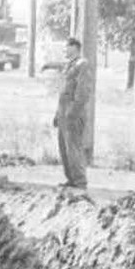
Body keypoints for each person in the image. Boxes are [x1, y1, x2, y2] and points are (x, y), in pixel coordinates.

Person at [54, 35, 91, 189]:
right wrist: (57, 114)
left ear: (74, 47)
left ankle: (80, 182)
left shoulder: (82, 65)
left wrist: (72, 113)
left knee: (73, 148)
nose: (64, 50)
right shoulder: (68, 66)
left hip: (74, 115)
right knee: (64, 149)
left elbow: (82, 93)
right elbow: (63, 93)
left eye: (67, 47)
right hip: (63, 113)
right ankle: (71, 179)